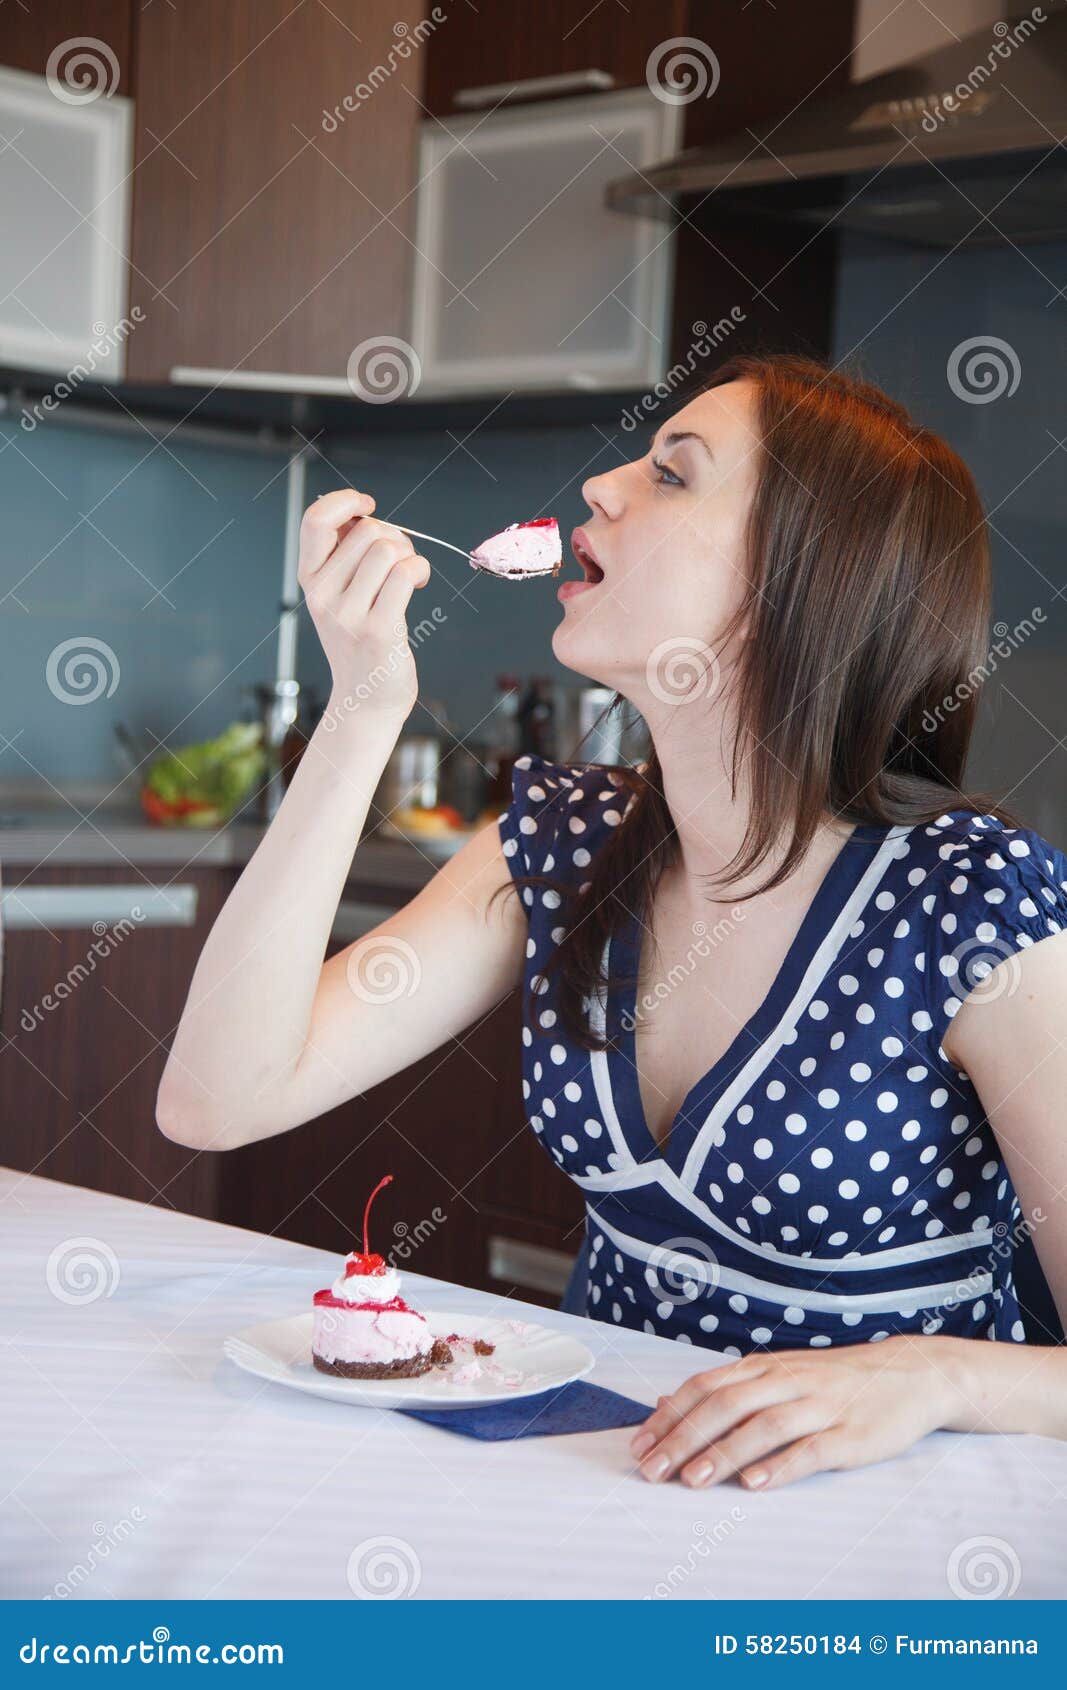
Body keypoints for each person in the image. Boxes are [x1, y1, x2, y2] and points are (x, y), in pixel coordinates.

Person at [158, 354, 1067, 1492]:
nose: (600, 485)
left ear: (802, 578)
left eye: (672, 476)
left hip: (890, 1533)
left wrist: (935, 1377)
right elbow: (215, 1098)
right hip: (604, 1482)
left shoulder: (970, 907)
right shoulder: (563, 843)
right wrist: (361, 707)